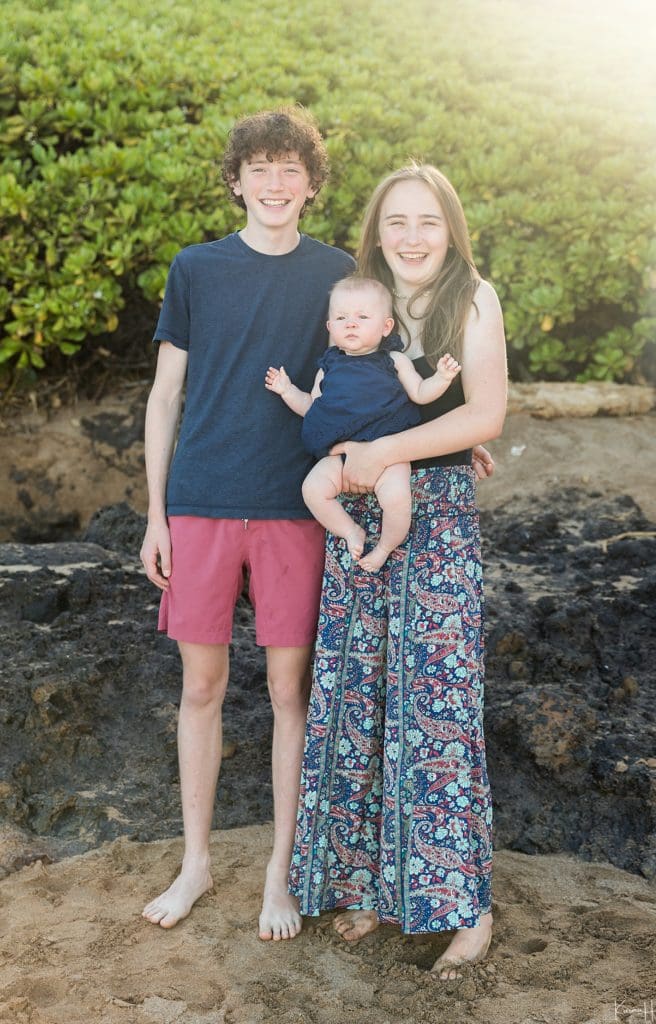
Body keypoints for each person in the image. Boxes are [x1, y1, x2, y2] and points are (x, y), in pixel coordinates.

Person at [139, 107, 355, 939]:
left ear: (310, 183)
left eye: (289, 169)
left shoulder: (336, 271)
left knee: (286, 691)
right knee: (200, 686)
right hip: (198, 501)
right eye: (258, 169)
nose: (274, 184)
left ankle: (280, 872)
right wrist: (155, 514)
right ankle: (194, 863)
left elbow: (368, 371)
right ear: (235, 180)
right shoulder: (196, 268)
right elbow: (164, 397)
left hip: (295, 506)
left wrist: (442, 445)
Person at [288, 162, 507, 979]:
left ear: (450, 229)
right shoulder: (360, 305)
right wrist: (400, 437)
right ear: (375, 232)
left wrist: (401, 446)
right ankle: (375, 888)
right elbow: (354, 402)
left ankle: (464, 908)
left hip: (435, 515)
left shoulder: (471, 297)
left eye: (427, 221)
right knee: (359, 694)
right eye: (396, 222)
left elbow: (486, 411)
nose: (411, 237)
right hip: (355, 512)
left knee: (435, 706)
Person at [264, 275, 461, 572]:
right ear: (330, 327)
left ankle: (384, 547)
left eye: (362, 317)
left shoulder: (393, 360)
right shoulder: (328, 366)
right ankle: (350, 531)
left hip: (388, 451)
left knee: (396, 500)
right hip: (341, 454)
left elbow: (421, 394)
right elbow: (313, 408)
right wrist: (286, 390)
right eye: (341, 317)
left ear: (386, 326)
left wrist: (442, 378)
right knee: (312, 489)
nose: (351, 323)